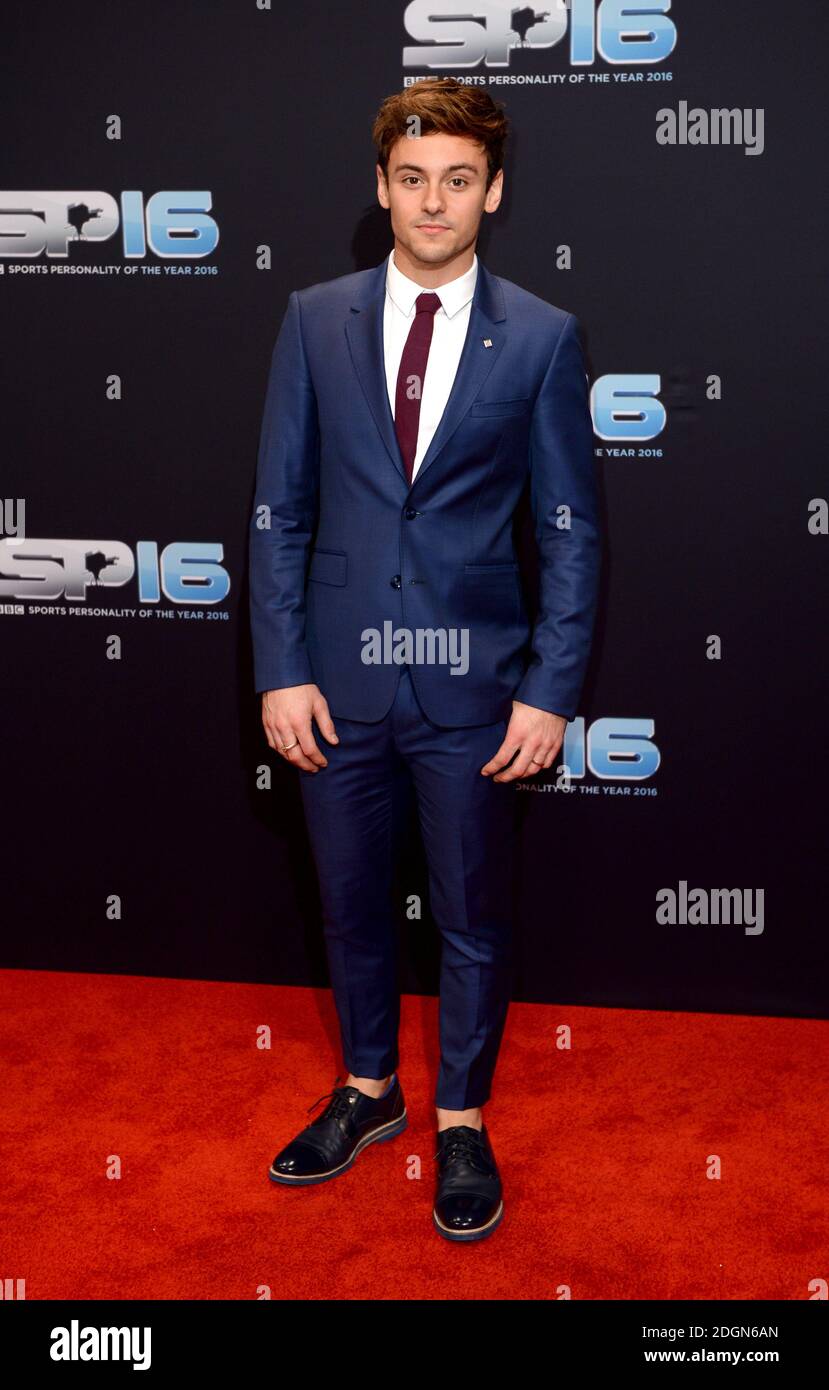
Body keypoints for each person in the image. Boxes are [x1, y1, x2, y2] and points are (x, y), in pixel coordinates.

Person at [248, 77, 601, 1242]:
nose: (432, 202)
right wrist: (279, 666)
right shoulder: (312, 317)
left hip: (473, 687)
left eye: (458, 180)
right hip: (334, 681)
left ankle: (459, 1117)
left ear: (492, 192)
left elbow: (568, 528)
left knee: (469, 917)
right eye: (412, 180)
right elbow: (281, 513)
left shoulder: (544, 338)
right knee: (348, 910)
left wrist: (551, 689)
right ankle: (367, 1093)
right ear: (381, 188)